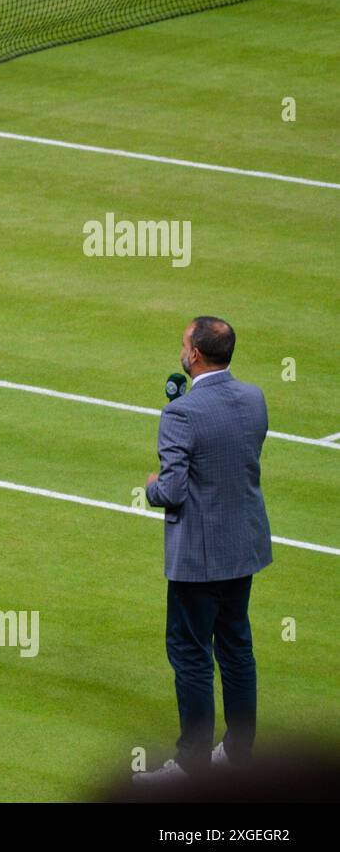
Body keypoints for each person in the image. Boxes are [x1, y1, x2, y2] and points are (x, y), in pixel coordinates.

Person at [134, 317, 272, 786]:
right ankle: (238, 753)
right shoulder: (254, 398)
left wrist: (152, 487)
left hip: (198, 558)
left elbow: (171, 489)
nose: (181, 350)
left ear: (194, 355)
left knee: (191, 654)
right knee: (236, 647)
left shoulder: (181, 414)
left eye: (183, 343)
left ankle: (192, 765)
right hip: (243, 546)